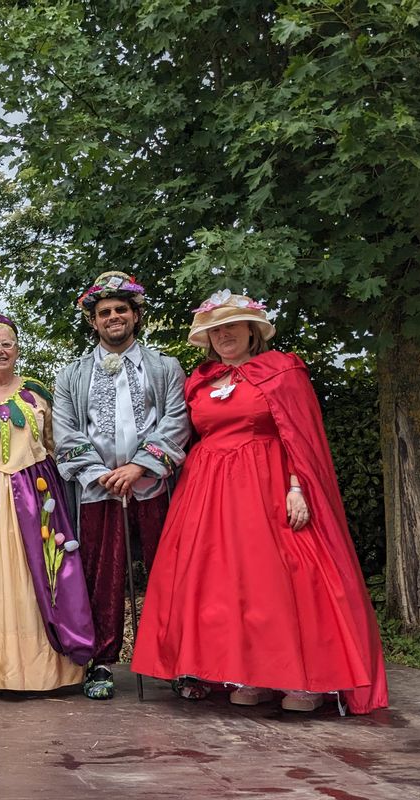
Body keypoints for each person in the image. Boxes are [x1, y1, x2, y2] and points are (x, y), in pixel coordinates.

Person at [131, 291, 389, 714]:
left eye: (232, 325)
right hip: (208, 491)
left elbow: (300, 437)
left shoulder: (281, 371)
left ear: (253, 331)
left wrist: (297, 487)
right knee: (226, 583)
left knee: (279, 578)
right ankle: (245, 674)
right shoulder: (200, 381)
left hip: (267, 484)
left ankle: (300, 679)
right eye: (216, 329)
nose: (224, 335)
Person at [0, 312, 95, 692]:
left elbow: (57, 444)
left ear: (18, 349)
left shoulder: (37, 392)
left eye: (6, 343)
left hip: (36, 494)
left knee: (44, 575)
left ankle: (46, 670)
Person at [52, 272, 191, 700]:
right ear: (92, 321)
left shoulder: (165, 367)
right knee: (100, 577)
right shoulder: (71, 375)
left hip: (153, 486)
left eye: (120, 310)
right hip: (98, 490)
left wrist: (140, 467)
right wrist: (102, 475)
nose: (113, 317)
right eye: (104, 312)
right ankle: (102, 662)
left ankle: (179, 663)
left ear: (136, 315)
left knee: (169, 573)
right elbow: (67, 431)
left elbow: (177, 419)